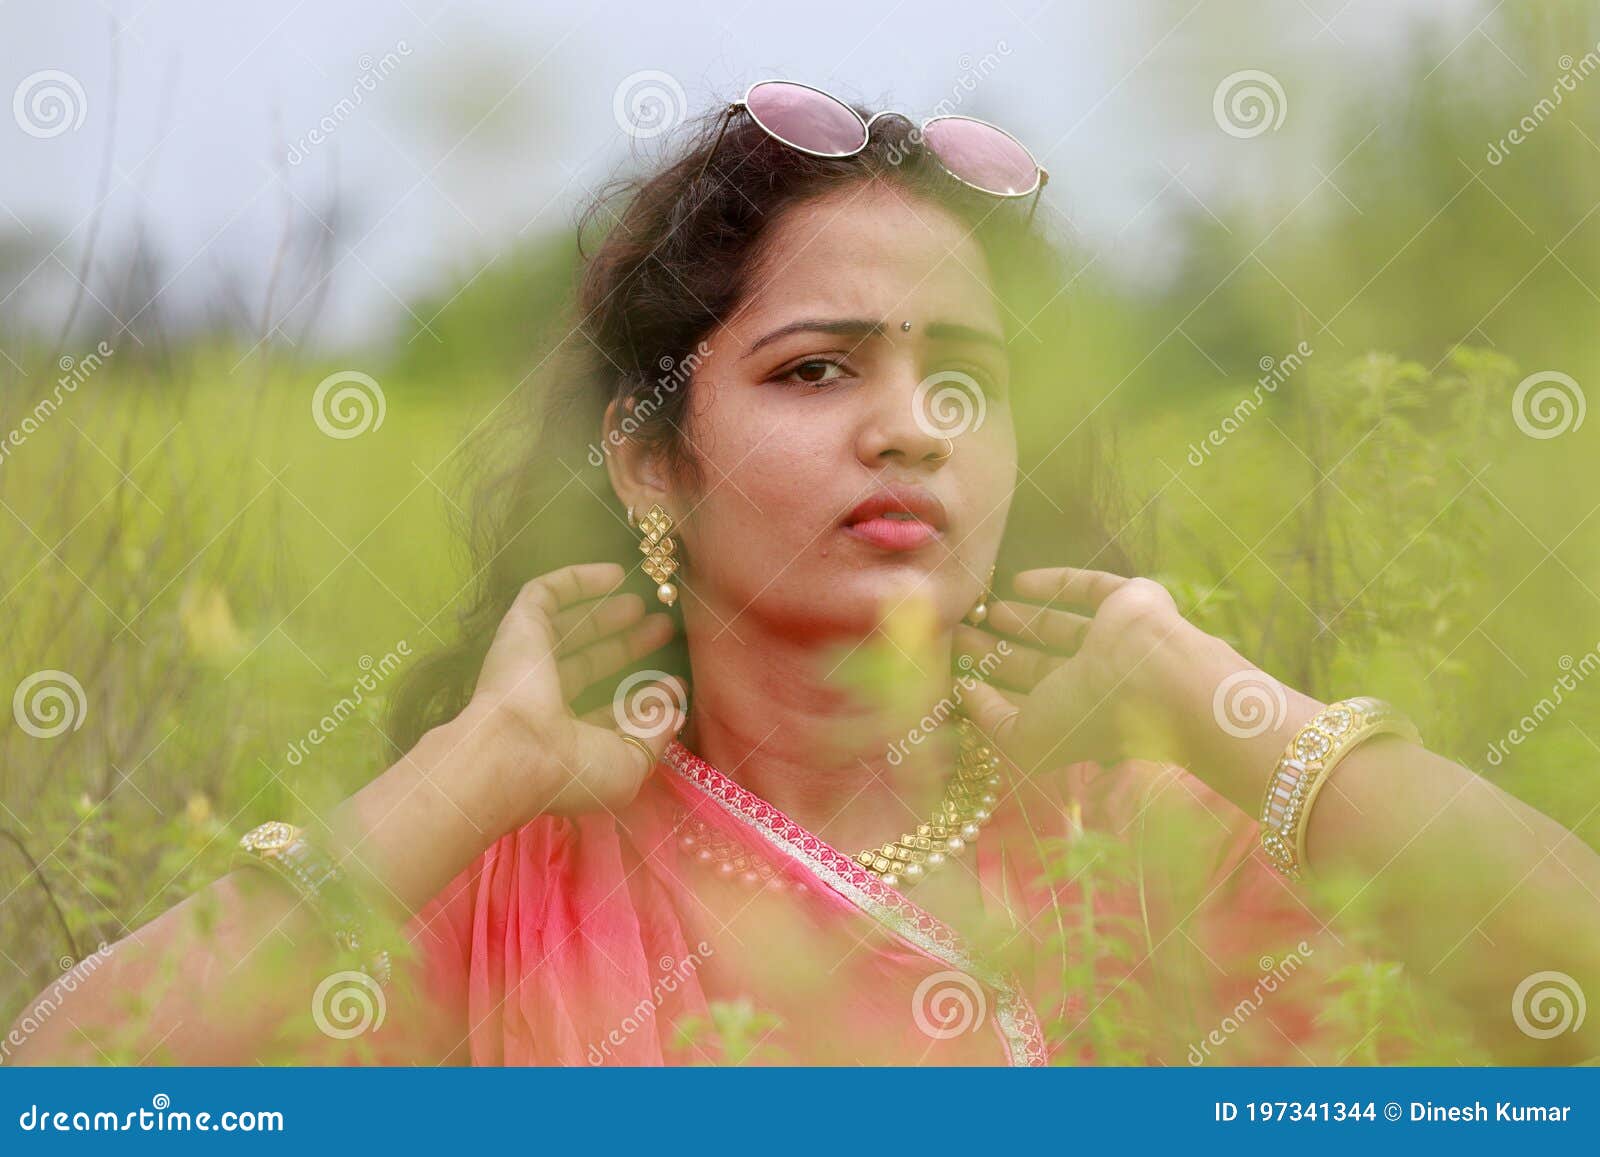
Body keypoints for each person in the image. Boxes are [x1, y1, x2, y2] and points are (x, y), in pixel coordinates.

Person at [8, 82, 1598, 1068]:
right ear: (649, 456)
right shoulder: (515, 883)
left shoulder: (1154, 841)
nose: (912, 429)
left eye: (965, 379)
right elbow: (73, 1097)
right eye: (818, 370)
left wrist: (1221, 705)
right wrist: (466, 771)